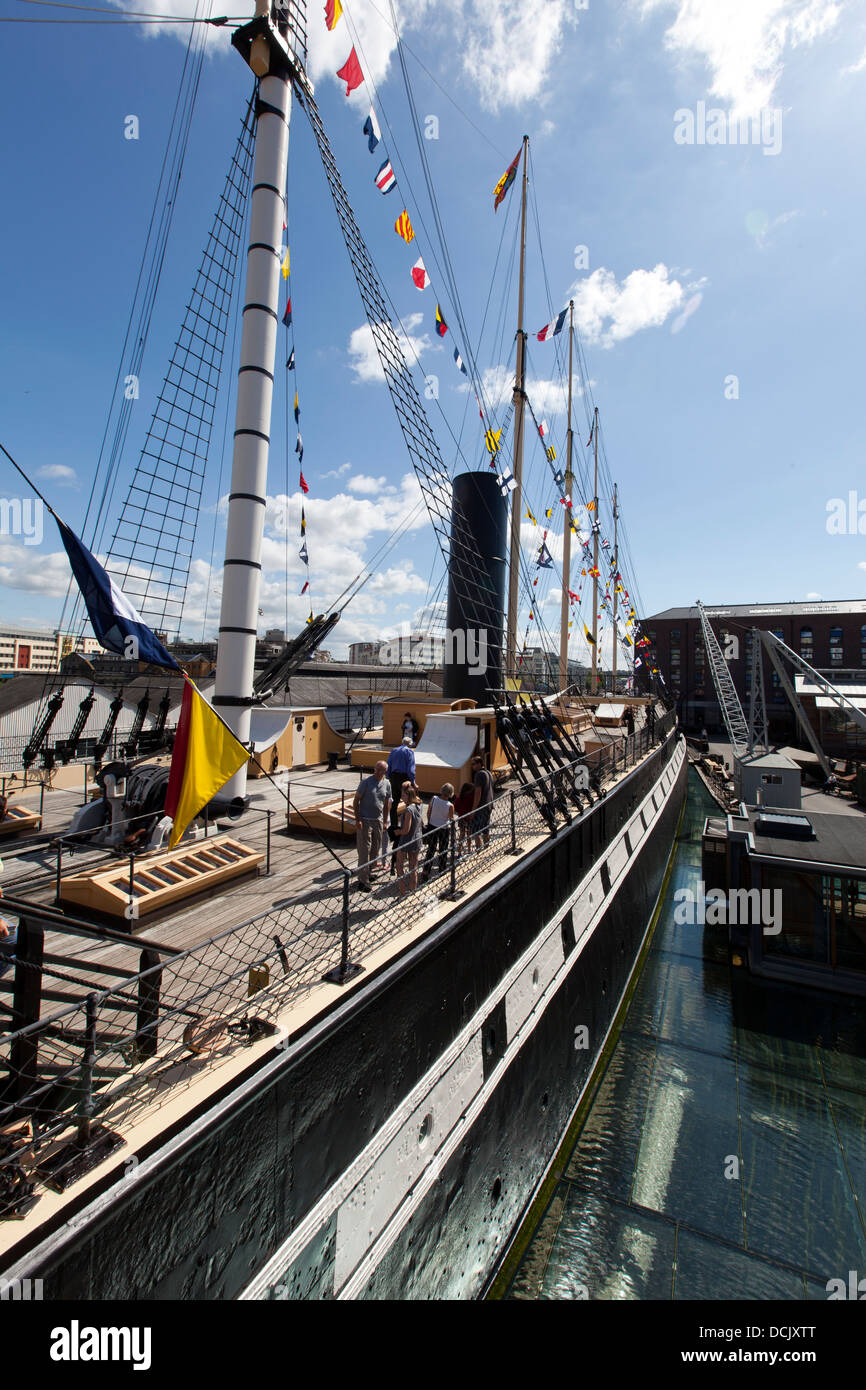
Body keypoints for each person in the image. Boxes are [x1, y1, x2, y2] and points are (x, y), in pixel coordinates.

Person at [352, 760, 391, 892]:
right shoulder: (366, 783)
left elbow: (386, 804)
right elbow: (356, 800)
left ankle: (368, 873)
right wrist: (358, 819)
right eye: (376, 769)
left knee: (375, 849)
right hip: (365, 820)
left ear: (385, 771)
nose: (378, 772)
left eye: (381, 770)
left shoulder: (387, 784)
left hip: (378, 821)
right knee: (364, 850)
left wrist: (385, 821)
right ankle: (362, 881)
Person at [422, 782, 454, 881]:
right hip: (444, 828)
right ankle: (442, 870)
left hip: (432, 826)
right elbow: (450, 818)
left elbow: (428, 812)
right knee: (443, 850)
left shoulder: (434, 799)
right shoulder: (450, 805)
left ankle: (426, 870)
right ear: (451, 793)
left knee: (431, 849)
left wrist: (430, 821)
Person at [395, 787, 424, 896]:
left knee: (399, 867)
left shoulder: (408, 810)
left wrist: (397, 832)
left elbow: (406, 830)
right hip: (417, 839)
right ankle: (413, 891)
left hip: (406, 841)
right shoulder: (419, 805)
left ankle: (402, 893)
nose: (402, 797)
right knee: (413, 868)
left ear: (409, 796)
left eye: (403, 795)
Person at [470, 755, 494, 852]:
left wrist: (473, 809)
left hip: (481, 806)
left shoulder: (479, 775)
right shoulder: (488, 773)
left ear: (480, 764)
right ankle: (486, 847)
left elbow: (478, 793)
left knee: (476, 830)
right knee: (485, 828)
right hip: (489, 804)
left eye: (474, 764)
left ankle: (478, 850)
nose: (472, 766)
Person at [453, 782, 475, 855]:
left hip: (461, 817)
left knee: (461, 834)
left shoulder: (459, 798)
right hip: (469, 818)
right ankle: (469, 849)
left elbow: (455, 808)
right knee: (469, 834)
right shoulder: (471, 798)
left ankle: (459, 851)